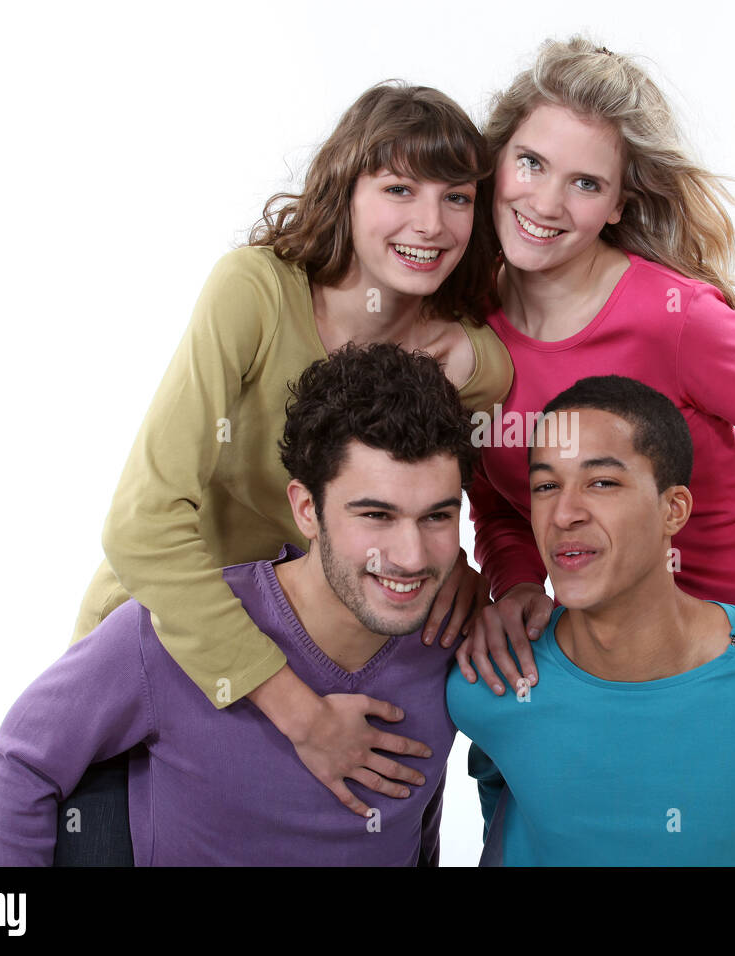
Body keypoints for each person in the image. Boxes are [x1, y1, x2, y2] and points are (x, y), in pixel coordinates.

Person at [71, 82, 513, 816]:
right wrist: (301, 716)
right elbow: (140, 525)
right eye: (398, 188)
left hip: (322, 659)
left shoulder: (464, 354)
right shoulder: (255, 292)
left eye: (457, 197)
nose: (430, 224)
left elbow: (416, 502)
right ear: (344, 189)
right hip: (176, 642)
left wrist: (456, 566)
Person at [457, 37, 735, 702]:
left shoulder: (675, 316)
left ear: (617, 203)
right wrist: (520, 583)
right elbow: (498, 500)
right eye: (531, 164)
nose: (547, 204)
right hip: (605, 649)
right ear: (497, 164)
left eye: (585, 183)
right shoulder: (468, 326)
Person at [0, 344, 477, 865]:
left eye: (436, 517)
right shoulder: (173, 635)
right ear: (307, 510)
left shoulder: (453, 643)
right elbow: (24, 760)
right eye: (377, 516)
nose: (410, 557)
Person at [446, 375, 735, 865]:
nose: (564, 514)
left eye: (602, 482)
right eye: (546, 486)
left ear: (674, 509)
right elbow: (502, 800)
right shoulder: (491, 684)